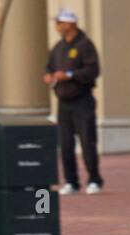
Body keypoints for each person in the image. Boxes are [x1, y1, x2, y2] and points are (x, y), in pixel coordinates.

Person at [45, 8, 102, 196]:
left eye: (60, 22)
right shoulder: (58, 47)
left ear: (70, 24)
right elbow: (50, 67)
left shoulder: (85, 45)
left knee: (87, 142)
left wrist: (69, 75)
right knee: (65, 144)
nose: (57, 26)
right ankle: (71, 182)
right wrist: (49, 75)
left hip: (82, 100)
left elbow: (93, 70)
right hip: (63, 102)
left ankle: (94, 180)